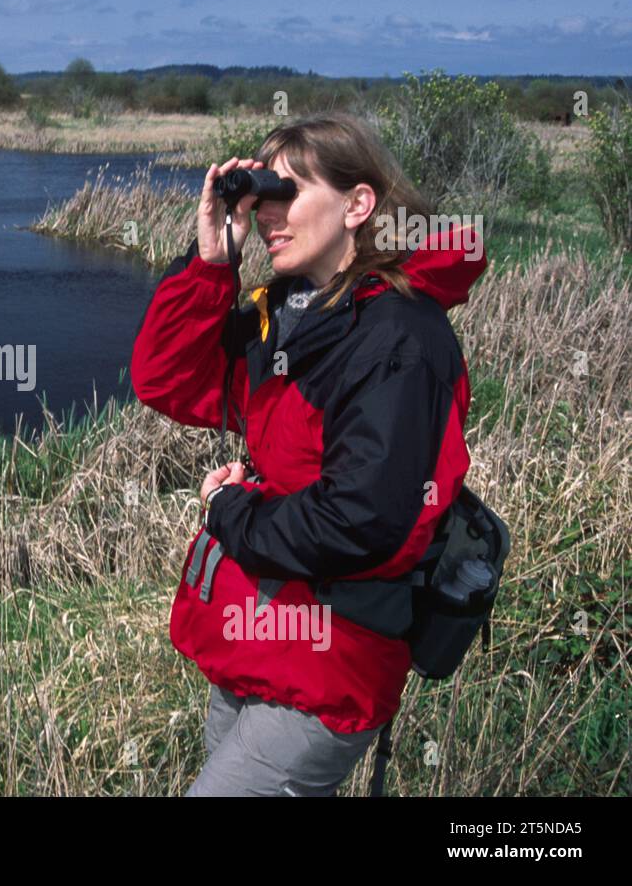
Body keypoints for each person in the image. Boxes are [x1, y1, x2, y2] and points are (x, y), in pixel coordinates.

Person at [130, 112, 487, 796]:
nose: (268, 214)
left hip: (330, 663)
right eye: (263, 195)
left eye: (288, 192)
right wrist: (212, 264)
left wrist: (230, 509)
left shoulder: (398, 338)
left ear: (359, 204)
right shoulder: (292, 314)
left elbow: (361, 518)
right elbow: (168, 380)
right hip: (257, 641)